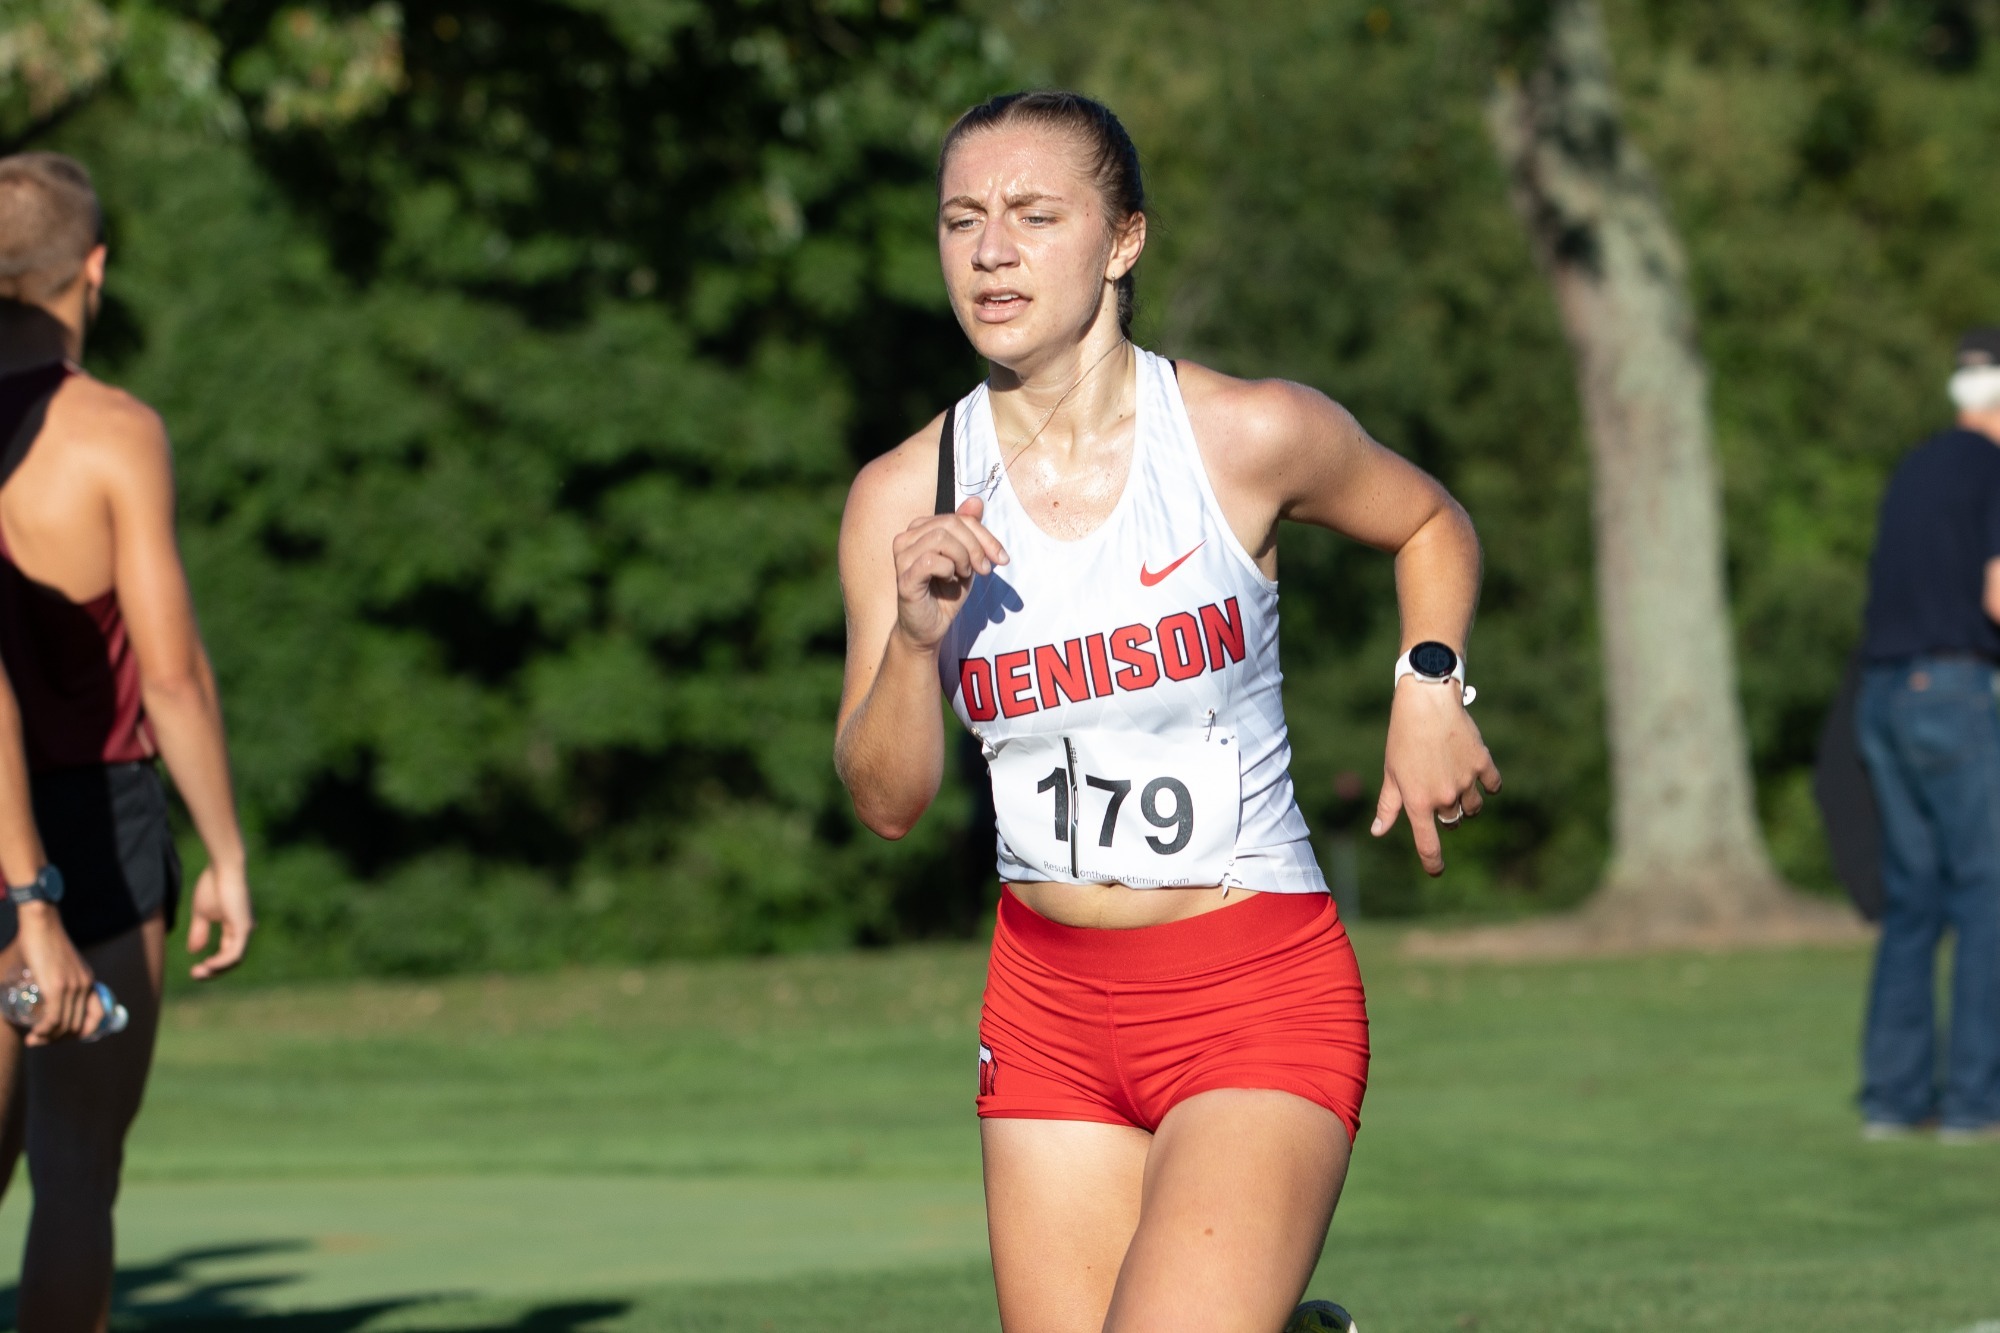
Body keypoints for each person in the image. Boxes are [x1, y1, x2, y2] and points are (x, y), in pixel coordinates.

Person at [834, 93, 1498, 1333]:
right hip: (1043, 1010)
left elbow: (1427, 521)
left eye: (1035, 216)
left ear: (1122, 241)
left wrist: (1426, 683)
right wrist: (915, 642)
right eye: (961, 219)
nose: (990, 251)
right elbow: (883, 802)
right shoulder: (898, 499)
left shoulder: (1243, 434)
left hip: (1254, 990)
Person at [0, 150, 255, 1330]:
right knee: (76, 1166)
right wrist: (226, 851)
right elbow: (171, 673)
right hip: (98, 817)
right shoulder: (109, 432)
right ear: (91, 271)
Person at [1853, 326, 2000, 1145]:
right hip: (1950, 690)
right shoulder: (1994, 469)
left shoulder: (1915, 467)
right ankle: (1979, 1102)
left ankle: (1893, 1099)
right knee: (1988, 894)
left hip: (1882, 694)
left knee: (1914, 900)